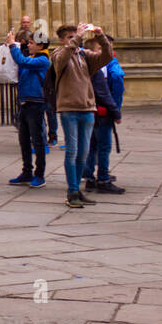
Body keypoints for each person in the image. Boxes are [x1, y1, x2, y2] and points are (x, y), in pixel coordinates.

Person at [51, 23, 112, 208]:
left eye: (76, 37)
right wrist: (77, 37)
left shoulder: (84, 55)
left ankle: (77, 188)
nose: (75, 40)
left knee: (83, 153)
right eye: (70, 37)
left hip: (87, 109)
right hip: (69, 109)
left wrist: (101, 36)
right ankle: (72, 191)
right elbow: (62, 59)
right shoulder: (58, 54)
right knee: (72, 151)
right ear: (62, 40)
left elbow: (107, 57)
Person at [82, 35, 126, 194]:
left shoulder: (85, 66)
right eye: (100, 48)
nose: (106, 51)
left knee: (92, 145)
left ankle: (90, 178)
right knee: (103, 147)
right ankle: (103, 179)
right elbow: (105, 92)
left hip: (91, 112)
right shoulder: (99, 69)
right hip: (102, 113)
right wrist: (115, 111)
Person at [7, 31, 50, 187]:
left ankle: (39, 175)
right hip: (25, 102)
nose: (28, 45)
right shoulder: (32, 57)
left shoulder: (43, 60)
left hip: (36, 103)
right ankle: (27, 172)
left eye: (31, 43)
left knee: (37, 140)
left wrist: (12, 45)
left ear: (40, 45)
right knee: (23, 139)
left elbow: (22, 61)